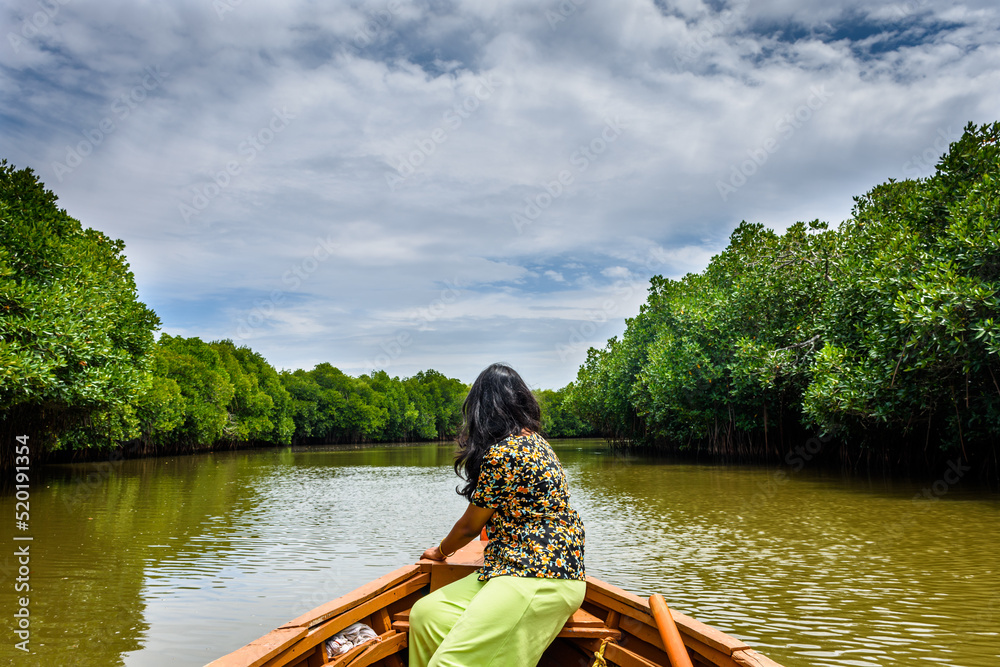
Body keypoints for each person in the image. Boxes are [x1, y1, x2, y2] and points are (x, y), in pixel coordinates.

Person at [409, 362, 586, 667]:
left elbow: (469, 528)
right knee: (428, 616)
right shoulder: (540, 445)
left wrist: (440, 551)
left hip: (538, 575)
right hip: (516, 567)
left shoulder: (504, 451)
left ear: (483, 410)